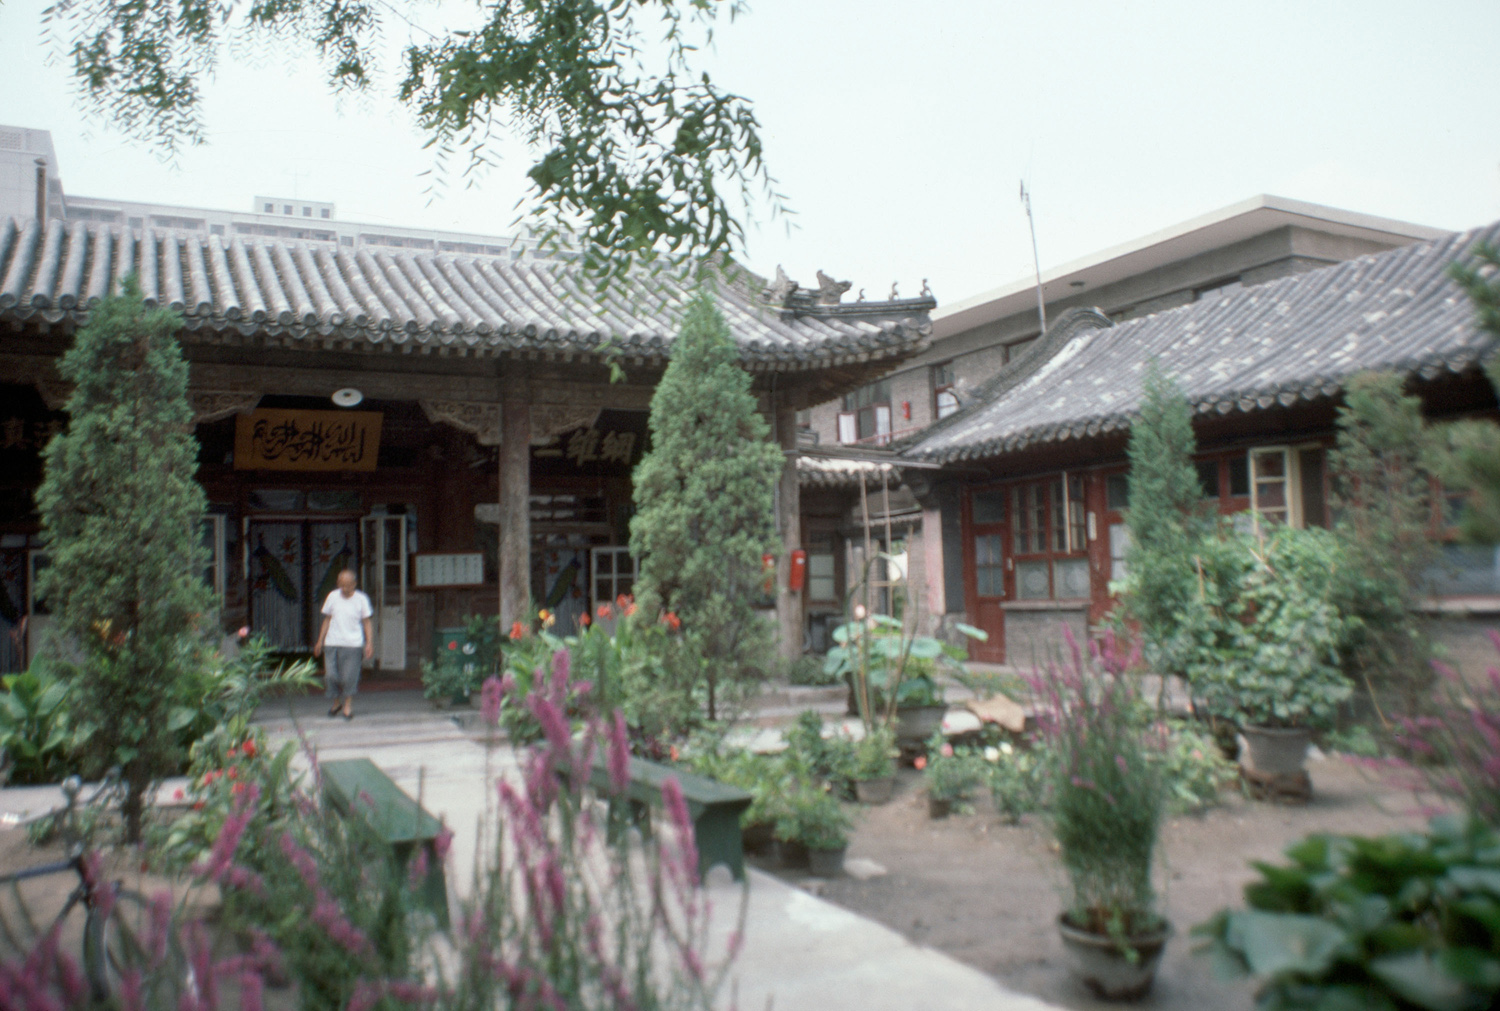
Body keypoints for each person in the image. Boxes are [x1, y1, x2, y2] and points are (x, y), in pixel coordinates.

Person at [313, 569, 374, 720]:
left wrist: (369, 643)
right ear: (338, 584)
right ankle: (336, 703)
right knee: (330, 676)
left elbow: (367, 622)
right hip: (332, 642)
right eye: (342, 585)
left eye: (349, 585)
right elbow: (327, 619)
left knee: (349, 677)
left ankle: (347, 706)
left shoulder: (361, 599)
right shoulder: (332, 596)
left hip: (353, 644)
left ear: (354, 584)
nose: (345, 589)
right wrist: (320, 641)